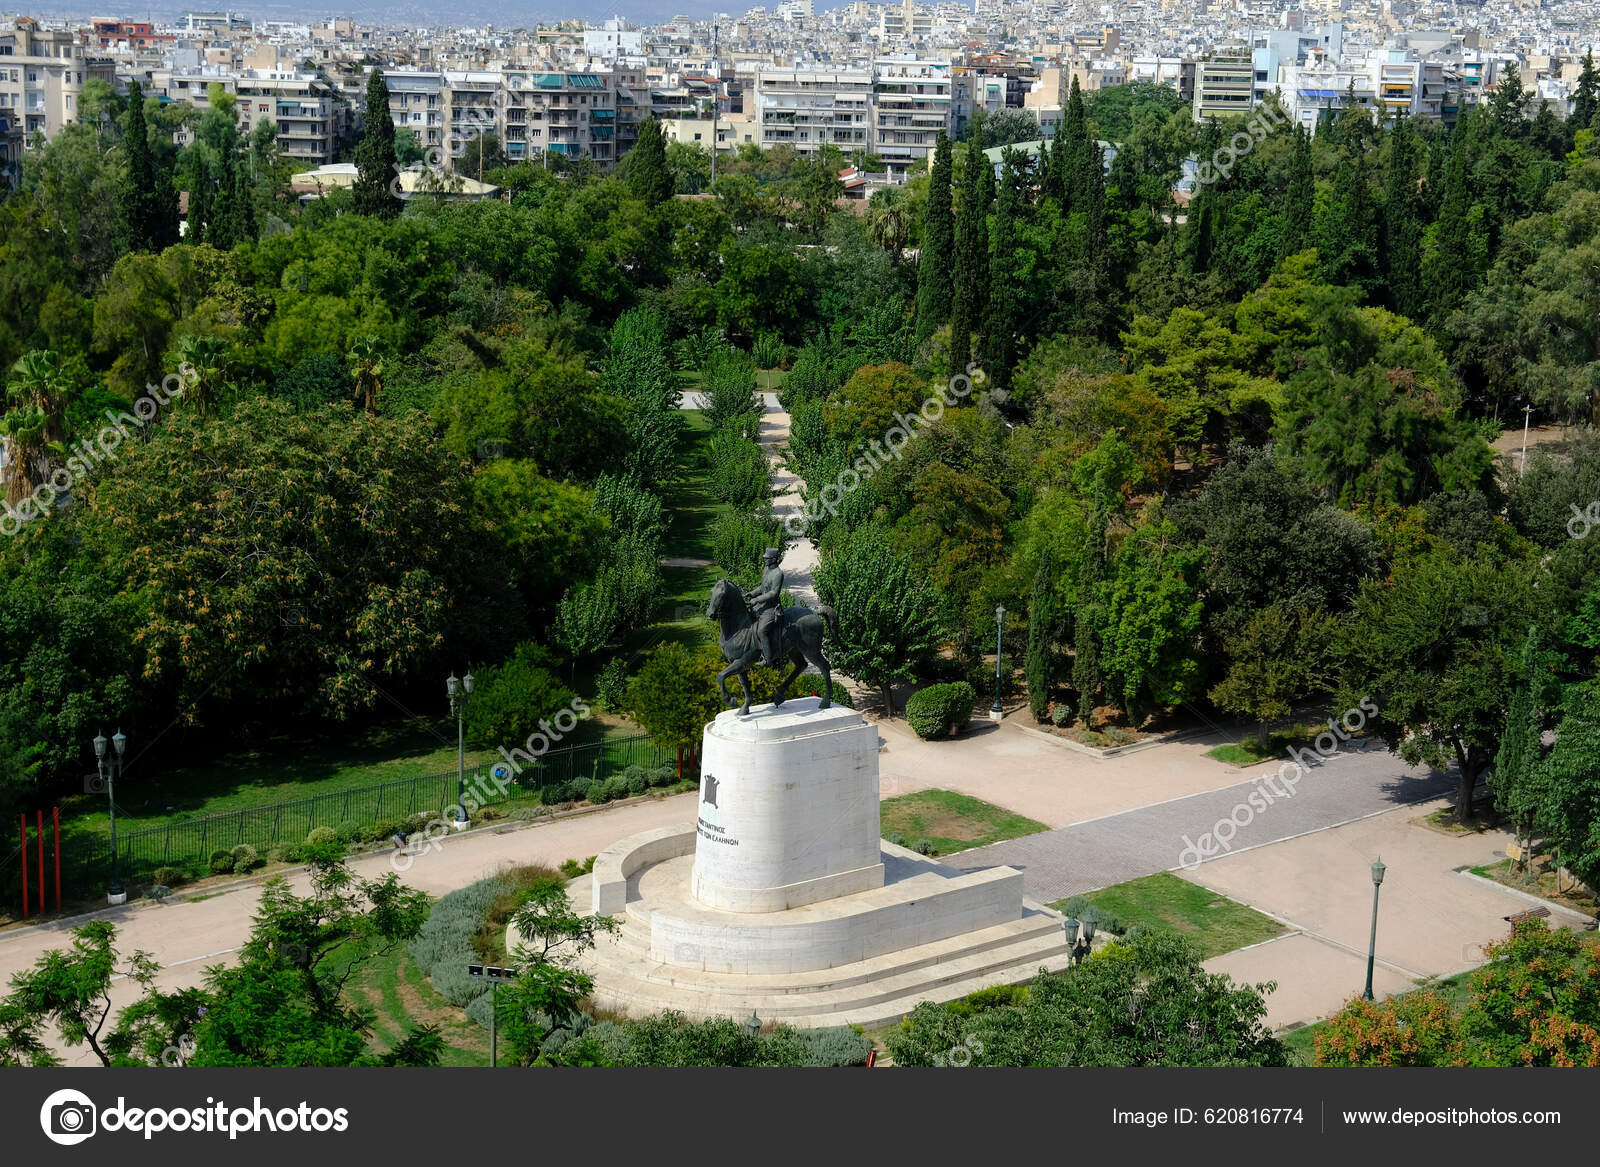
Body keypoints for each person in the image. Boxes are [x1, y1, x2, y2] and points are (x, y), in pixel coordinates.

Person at [745, 548, 785, 668]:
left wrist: (757, 599)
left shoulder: (778, 574)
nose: (764, 560)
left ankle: (768, 659)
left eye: (766, 558)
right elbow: (762, 587)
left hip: (771, 609)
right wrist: (752, 593)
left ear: (773, 559)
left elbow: (774, 593)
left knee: (762, 631)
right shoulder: (766, 570)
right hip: (762, 605)